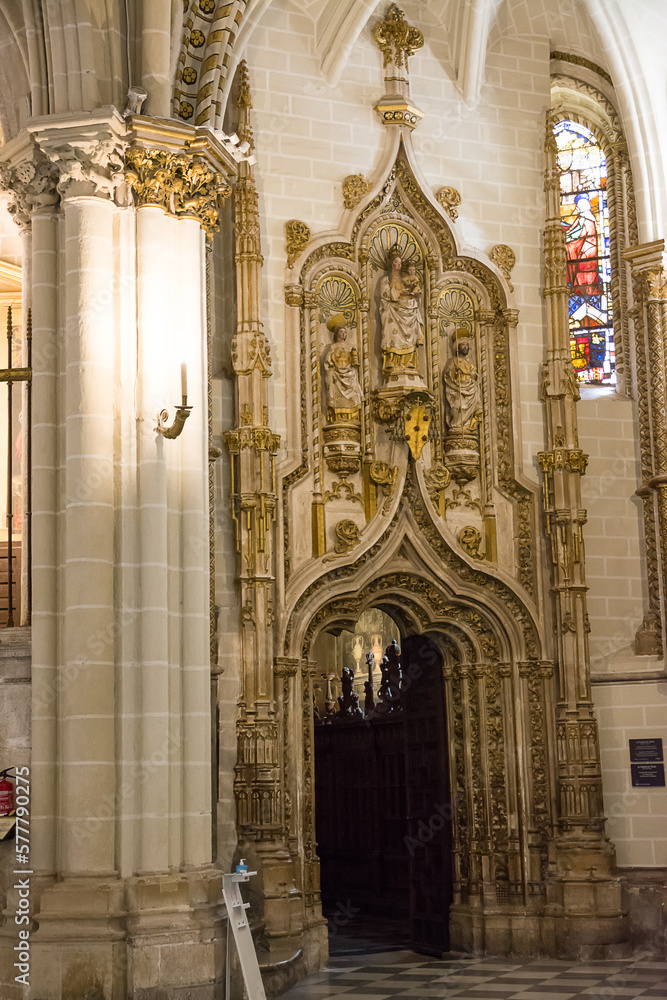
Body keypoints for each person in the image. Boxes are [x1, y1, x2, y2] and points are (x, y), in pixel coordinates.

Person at [379, 254, 424, 375]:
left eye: (400, 263)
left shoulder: (406, 278)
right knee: (392, 335)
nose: (399, 265)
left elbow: (414, 290)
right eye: (396, 262)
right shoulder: (386, 279)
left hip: (407, 310)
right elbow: (384, 294)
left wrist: (414, 293)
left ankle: (408, 362)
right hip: (393, 312)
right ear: (391, 264)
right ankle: (392, 361)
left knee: (409, 336)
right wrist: (400, 292)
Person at [323, 314, 362, 419]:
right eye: (341, 332)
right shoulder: (333, 347)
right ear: (336, 334)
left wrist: (353, 362)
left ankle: (351, 417)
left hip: (349, 374)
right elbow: (328, 361)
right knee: (337, 398)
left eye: (345, 332)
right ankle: (339, 416)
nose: (343, 334)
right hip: (337, 376)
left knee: (354, 395)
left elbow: (354, 363)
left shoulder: (350, 348)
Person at [443, 329, 482, 431]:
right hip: (458, 389)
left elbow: (474, 375)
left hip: (470, 390)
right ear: (458, 347)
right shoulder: (453, 361)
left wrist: (474, 376)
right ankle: (457, 425)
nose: (466, 347)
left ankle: (468, 424)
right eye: (463, 345)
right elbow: (448, 376)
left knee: (473, 404)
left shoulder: (469, 362)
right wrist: (455, 373)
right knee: (458, 406)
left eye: (467, 345)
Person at [563, 194, 600, 296]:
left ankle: (587, 290)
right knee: (577, 263)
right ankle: (578, 288)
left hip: (588, 248)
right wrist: (566, 236)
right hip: (582, 246)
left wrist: (569, 238)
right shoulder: (581, 218)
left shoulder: (589, 219)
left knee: (584, 267)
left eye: (578, 206)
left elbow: (582, 233)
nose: (577, 208)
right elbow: (572, 229)